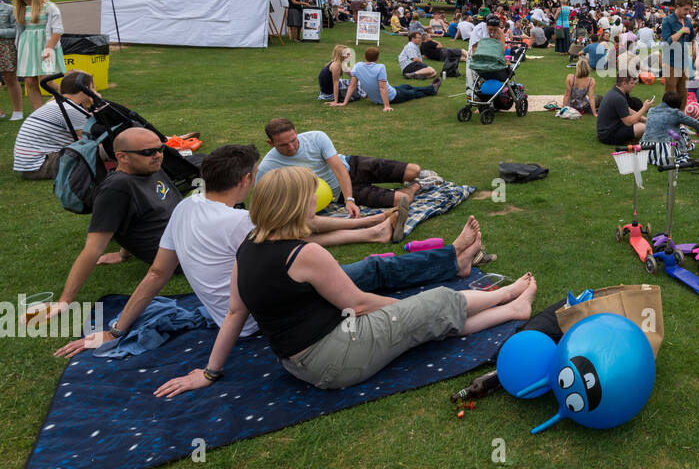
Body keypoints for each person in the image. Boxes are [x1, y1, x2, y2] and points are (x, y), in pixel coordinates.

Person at [53, 146, 484, 358]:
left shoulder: (186, 208)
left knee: (365, 266)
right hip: (264, 316)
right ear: (245, 180)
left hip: (244, 310)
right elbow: (306, 237)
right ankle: (452, 263)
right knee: (371, 272)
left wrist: (116, 329)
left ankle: (446, 257)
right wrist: (363, 226)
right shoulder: (242, 223)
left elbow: (154, 276)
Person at [151, 167, 537, 394]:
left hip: (296, 363)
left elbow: (235, 312)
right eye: (309, 198)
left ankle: (512, 307)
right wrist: (413, 310)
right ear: (293, 206)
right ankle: (507, 295)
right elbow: (362, 304)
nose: (315, 204)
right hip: (334, 360)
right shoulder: (304, 254)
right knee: (435, 302)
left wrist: (208, 372)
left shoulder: (249, 244)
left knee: (431, 316)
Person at [43, 127, 185, 316]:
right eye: (148, 152)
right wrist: (64, 301)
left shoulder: (150, 168)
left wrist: (123, 254)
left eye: (160, 149)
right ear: (122, 157)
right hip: (182, 255)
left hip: (192, 233)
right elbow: (93, 248)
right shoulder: (116, 190)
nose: (157, 155)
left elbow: (140, 218)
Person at [257, 118, 430, 228]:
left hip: (350, 166)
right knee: (401, 200)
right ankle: (416, 186)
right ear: (270, 143)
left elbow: (338, 168)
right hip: (335, 192)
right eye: (284, 145)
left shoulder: (316, 137)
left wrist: (350, 200)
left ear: (296, 132)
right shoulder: (267, 167)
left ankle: (413, 179)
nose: (292, 147)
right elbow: (264, 201)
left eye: (294, 140)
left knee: (414, 170)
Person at [12, 70, 96, 179]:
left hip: (29, 167)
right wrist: (95, 101)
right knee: (98, 148)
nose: (94, 91)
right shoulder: (71, 109)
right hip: (40, 167)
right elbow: (93, 136)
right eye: (92, 88)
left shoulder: (56, 104)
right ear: (85, 90)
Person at [12, 0, 65, 113]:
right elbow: (20, 30)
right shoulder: (20, 9)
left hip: (45, 46)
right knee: (29, 81)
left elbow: (58, 30)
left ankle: (68, 94)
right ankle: (39, 113)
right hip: (28, 47)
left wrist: (49, 48)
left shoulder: (49, 7)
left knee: (47, 81)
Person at [338, 46, 438, 110]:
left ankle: (430, 88)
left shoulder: (357, 66)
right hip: (392, 97)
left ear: (364, 56)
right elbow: (382, 88)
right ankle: (432, 89)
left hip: (384, 95)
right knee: (413, 93)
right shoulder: (380, 67)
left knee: (406, 86)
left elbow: (352, 86)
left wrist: (344, 103)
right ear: (377, 58)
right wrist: (387, 106)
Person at [640, 89, 699, 167]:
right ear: (676, 105)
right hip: (665, 153)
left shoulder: (651, 111)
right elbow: (695, 123)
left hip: (645, 151)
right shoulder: (675, 113)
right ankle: (687, 146)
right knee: (682, 130)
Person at [597, 73, 652, 145]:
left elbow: (629, 111)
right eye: (631, 83)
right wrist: (644, 108)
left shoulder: (616, 91)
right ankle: (631, 140)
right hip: (608, 135)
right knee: (642, 127)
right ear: (624, 84)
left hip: (609, 129)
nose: (634, 85)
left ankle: (633, 139)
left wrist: (647, 120)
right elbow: (629, 122)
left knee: (645, 124)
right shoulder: (618, 97)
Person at [661, 0, 696, 105]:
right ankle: (670, 120)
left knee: (683, 96)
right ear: (677, 6)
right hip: (670, 63)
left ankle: (680, 121)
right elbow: (666, 42)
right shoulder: (667, 21)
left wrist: (694, 45)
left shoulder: (688, 22)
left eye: (689, 10)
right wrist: (681, 32)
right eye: (685, 9)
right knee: (671, 96)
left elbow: (692, 37)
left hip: (684, 63)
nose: (687, 12)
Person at [0, 0, 22, 120]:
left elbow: (17, 30)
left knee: (10, 78)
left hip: (5, 46)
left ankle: (17, 111)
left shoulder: (9, 9)